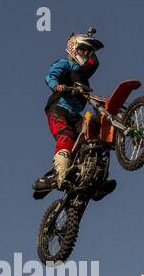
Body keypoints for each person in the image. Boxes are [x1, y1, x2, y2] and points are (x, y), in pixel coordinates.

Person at [32, 29, 117, 200]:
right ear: (73, 48)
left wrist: (91, 43)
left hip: (75, 114)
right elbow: (50, 75)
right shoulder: (66, 63)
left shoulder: (81, 73)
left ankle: (95, 178)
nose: (85, 53)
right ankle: (61, 174)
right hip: (58, 108)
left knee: (92, 136)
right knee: (66, 137)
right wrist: (56, 85)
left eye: (88, 51)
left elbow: (93, 63)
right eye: (83, 49)